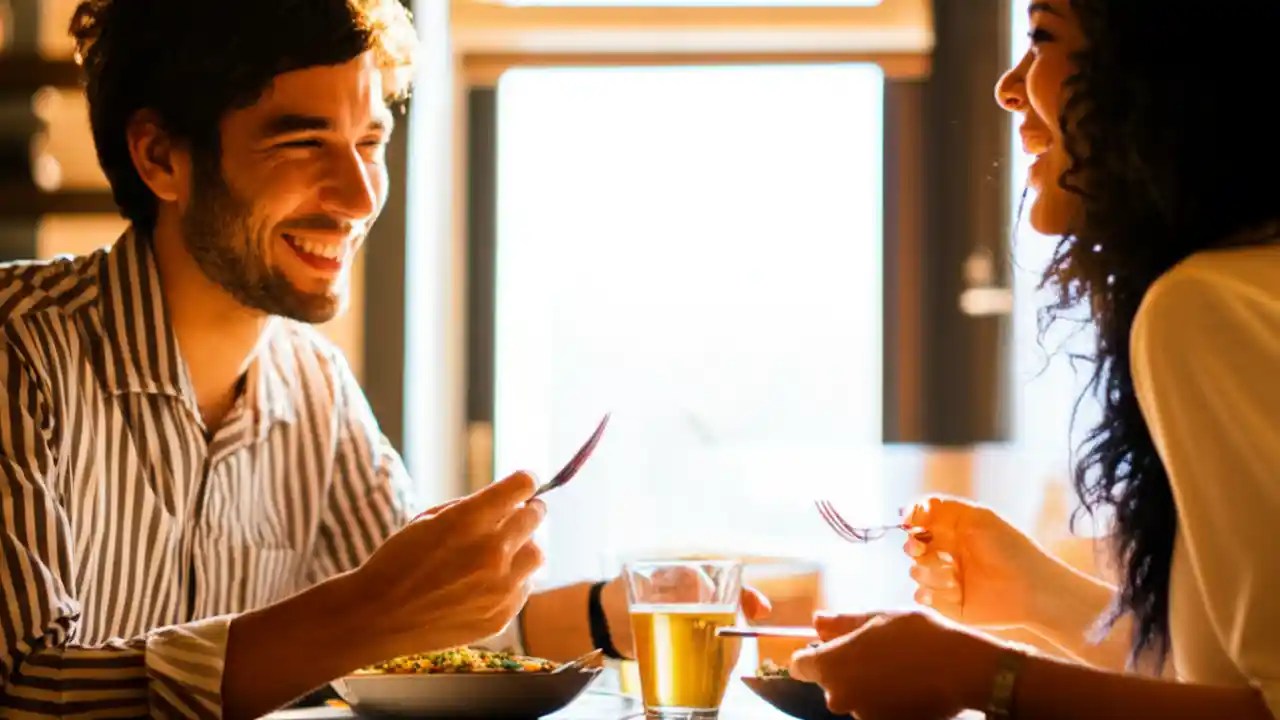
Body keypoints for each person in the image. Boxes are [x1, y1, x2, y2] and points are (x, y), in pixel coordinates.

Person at [0, 1, 767, 718]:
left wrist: (611, 612)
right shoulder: (20, 350)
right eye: (303, 143)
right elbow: (26, 686)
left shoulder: (315, 387)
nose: (361, 195)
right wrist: (367, 611)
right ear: (160, 156)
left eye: (371, 142)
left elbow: (429, 640)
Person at [790, 1, 1280, 719]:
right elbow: (1236, 686)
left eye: (1043, 36)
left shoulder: (1203, 308)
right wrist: (1037, 596)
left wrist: (975, 676)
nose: (1006, 86)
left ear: (1162, 76)